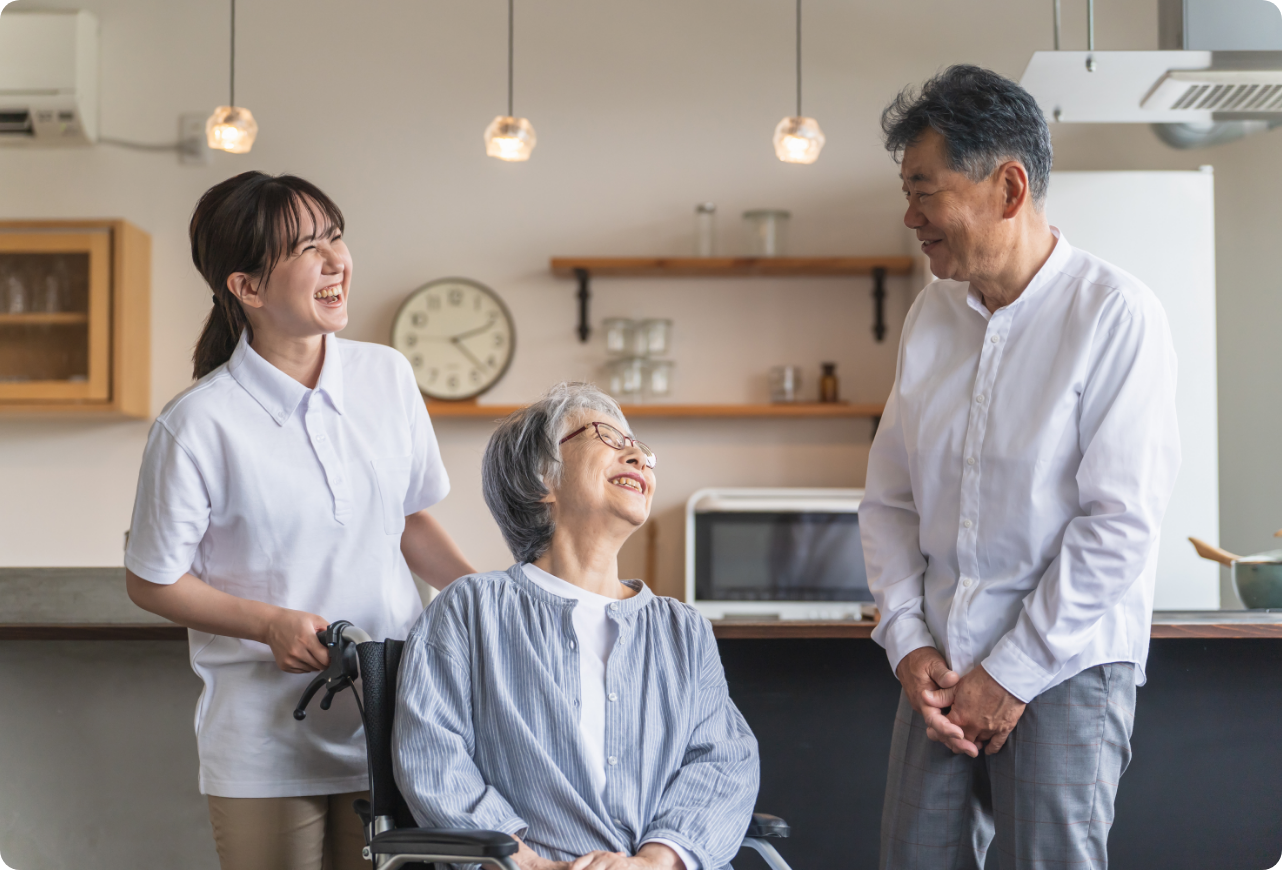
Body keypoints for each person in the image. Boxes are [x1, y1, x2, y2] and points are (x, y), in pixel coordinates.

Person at [860, 65, 1181, 869]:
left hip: (1064, 663)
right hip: (937, 666)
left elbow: (1119, 524)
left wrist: (1009, 674)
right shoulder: (930, 316)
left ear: (1008, 188)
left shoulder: (1116, 314)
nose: (910, 217)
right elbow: (889, 503)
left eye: (924, 190)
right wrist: (907, 643)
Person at [124, 171, 475, 870]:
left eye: (336, 237)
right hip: (264, 742)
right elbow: (152, 580)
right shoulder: (197, 425)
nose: (335, 260)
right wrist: (267, 623)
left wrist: (484, 603)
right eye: (306, 247)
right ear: (248, 287)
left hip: (399, 721)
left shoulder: (388, 378)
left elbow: (405, 520)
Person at [392, 383, 759, 870]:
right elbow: (432, 756)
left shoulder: (682, 630)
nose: (638, 455)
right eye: (607, 436)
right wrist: (528, 864)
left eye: (641, 448)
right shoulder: (471, 609)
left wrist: (655, 861)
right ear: (542, 477)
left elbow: (723, 763)